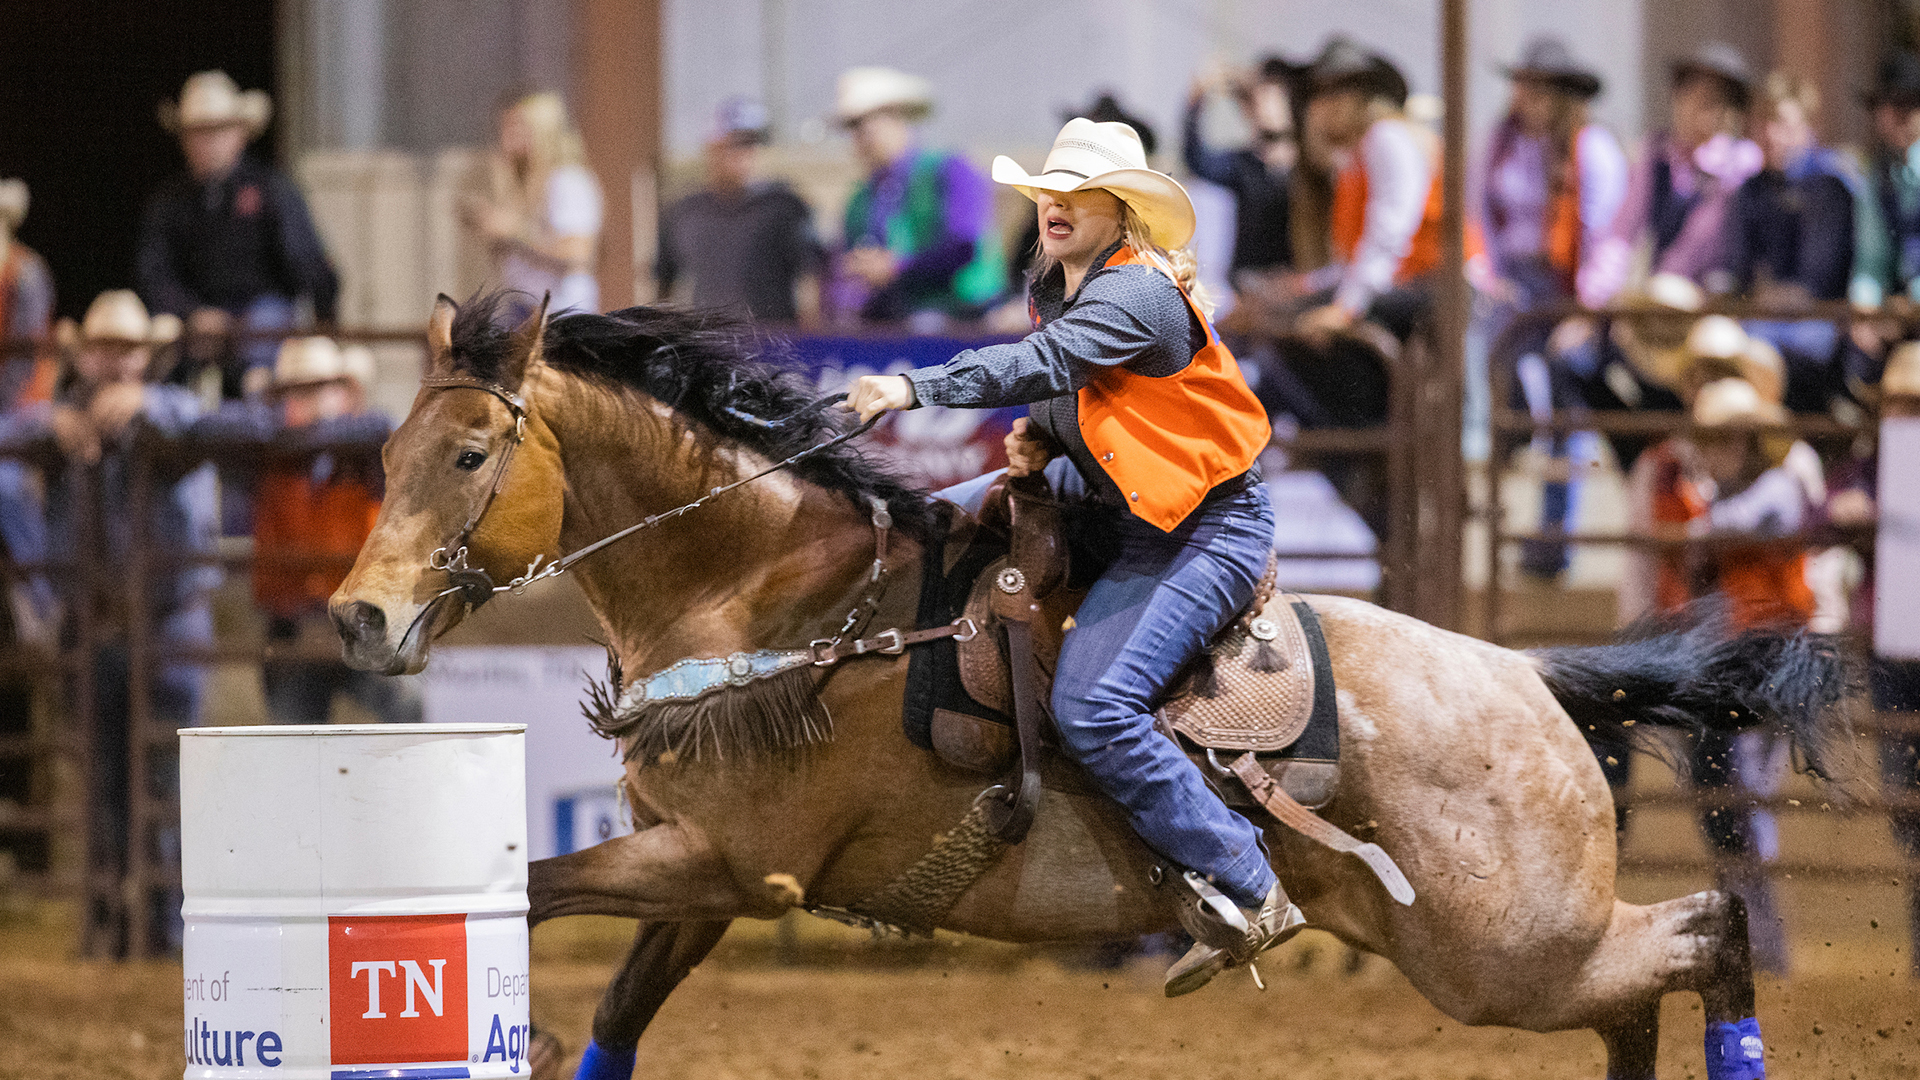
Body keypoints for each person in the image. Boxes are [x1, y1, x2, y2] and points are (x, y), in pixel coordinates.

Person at [845, 118, 1301, 996]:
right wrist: (1043, 440)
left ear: (1120, 210)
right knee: (927, 539)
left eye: (1077, 193)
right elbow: (1082, 392)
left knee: (1094, 705)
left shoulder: (1135, 294)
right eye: (1048, 190)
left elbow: (1049, 361)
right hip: (1123, 517)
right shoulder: (1060, 285)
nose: (1053, 204)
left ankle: (1248, 879)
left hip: (1203, 530)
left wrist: (915, 386)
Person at [0, 291, 217, 954]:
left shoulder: (174, 412)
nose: (116, 362)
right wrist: (54, 428)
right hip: (95, 625)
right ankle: (106, 923)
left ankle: (169, 929)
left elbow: (217, 426)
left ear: (145, 357)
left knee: (169, 782)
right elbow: (12, 434)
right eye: (105, 348)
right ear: (86, 355)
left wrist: (148, 409)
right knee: (101, 784)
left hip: (166, 621)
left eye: (126, 349)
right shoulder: (62, 424)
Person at [1641, 374, 1816, 974]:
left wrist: (1699, 518)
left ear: (1750, 440)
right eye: (1712, 438)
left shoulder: (1776, 488)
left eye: (1729, 438)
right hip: (1725, 663)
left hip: (1769, 660)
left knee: (1744, 796)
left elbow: (1715, 532)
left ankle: (1764, 946)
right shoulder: (1720, 493)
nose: (1719, 449)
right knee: (1721, 797)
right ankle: (1755, 941)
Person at [197, 337, 414, 725]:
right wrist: (277, 426)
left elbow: (383, 427)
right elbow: (207, 429)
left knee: (408, 713)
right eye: (293, 391)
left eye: (318, 388)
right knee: (293, 743)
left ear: (345, 393)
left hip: (366, 619)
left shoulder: (370, 443)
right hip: (293, 623)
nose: (304, 400)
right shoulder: (264, 448)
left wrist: (295, 433)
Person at [1478, 37, 1627, 578]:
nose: (1526, 96)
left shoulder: (1592, 150)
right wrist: (1490, 276)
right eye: (1523, 84)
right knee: (1507, 397)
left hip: (1569, 288)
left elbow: (1606, 237)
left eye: (1538, 86)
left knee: (1566, 406)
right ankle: (1503, 515)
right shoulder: (1502, 142)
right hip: (1513, 289)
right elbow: (1483, 216)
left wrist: (1586, 309)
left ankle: (1554, 534)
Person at [136, 71, 339, 398]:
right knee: (161, 332)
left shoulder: (272, 190)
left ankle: (259, 400)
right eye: (197, 133)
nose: (208, 142)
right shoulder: (168, 203)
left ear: (240, 134)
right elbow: (154, 275)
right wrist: (193, 313)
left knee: (265, 322)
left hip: (261, 318)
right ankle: (165, 415)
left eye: (218, 131)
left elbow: (308, 261)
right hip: (194, 324)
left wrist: (326, 323)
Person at [1826, 341, 1920, 973]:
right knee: (1907, 800)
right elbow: (1822, 512)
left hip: (1899, 638)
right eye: (1898, 402)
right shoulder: (1870, 464)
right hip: (1895, 649)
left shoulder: (1880, 467)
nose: (1904, 412)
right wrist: (1845, 513)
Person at [1580, 43, 1760, 308]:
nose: (1701, 107)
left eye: (1713, 100)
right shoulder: (1655, 158)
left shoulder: (1743, 164)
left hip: (1720, 303)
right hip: (1661, 304)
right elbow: (1620, 238)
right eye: (1692, 94)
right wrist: (1591, 304)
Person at [1723, 72, 1858, 414]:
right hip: (1763, 318)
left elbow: (1816, 281)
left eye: (1781, 122)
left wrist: (1769, 294)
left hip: (1818, 323)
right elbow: (1744, 274)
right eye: (1763, 122)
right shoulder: (1750, 191)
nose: (1770, 134)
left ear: (1807, 126)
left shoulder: (1831, 183)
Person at [832, 67, 1004, 327]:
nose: (859, 137)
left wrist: (894, 268)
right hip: (894, 319)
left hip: (966, 316)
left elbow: (963, 247)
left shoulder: (952, 170)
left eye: (865, 123)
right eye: (853, 127)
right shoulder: (861, 197)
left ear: (896, 117)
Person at [656, 98, 823, 324]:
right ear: (712, 146)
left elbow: (811, 276)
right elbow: (663, 284)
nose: (744, 153)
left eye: (751, 143)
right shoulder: (685, 211)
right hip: (710, 343)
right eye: (736, 143)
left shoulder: (784, 206)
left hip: (773, 343)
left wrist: (811, 335)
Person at [461, 91, 604, 317]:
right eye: (503, 127)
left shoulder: (567, 180)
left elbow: (576, 253)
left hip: (559, 311)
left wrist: (514, 230)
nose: (505, 136)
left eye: (516, 127)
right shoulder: (525, 182)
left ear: (541, 129)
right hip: (524, 306)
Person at [1183, 57, 1304, 287]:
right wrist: (1197, 99)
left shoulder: (1309, 163)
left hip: (1295, 278)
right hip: (1249, 279)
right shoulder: (1243, 164)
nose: (1266, 108)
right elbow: (1196, 158)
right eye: (1257, 100)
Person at [0, 179, 58, 644]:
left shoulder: (26, 273)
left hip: (23, 405)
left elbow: (20, 366)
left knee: (7, 482)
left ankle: (40, 601)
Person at [1851, 51, 1920, 312]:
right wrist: (1865, 312)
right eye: (1889, 106)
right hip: (1895, 311)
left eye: (1908, 105)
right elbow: (1870, 263)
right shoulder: (1876, 177)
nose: (1897, 115)